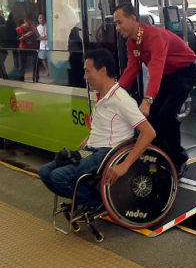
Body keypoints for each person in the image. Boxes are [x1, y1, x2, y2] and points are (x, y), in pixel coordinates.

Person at [38, 49, 156, 211]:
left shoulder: (121, 100)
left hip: (104, 153)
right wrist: (89, 138)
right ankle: (86, 199)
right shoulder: (102, 97)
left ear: (103, 71)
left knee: (59, 177)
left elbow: (149, 133)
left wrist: (124, 165)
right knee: (45, 172)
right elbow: (106, 126)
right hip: (90, 150)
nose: (85, 77)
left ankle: (99, 202)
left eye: (88, 71)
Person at [113, 3, 196, 174]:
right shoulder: (132, 43)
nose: (117, 28)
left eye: (120, 22)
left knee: (167, 113)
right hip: (168, 73)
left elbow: (156, 69)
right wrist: (115, 94)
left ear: (132, 18)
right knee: (153, 116)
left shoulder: (154, 36)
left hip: (186, 70)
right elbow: (131, 69)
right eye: (115, 24)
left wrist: (147, 99)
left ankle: (179, 160)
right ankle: (162, 155)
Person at [36, 13, 48, 80]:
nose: (41, 19)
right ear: (38, 19)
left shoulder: (48, 25)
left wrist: (43, 37)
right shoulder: (37, 28)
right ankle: (47, 70)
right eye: (40, 18)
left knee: (50, 59)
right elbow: (38, 38)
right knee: (43, 59)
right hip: (42, 46)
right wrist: (44, 37)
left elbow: (50, 36)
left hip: (49, 46)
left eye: (42, 17)